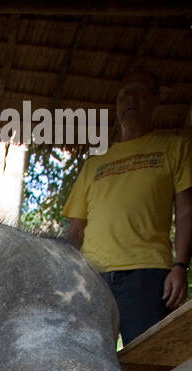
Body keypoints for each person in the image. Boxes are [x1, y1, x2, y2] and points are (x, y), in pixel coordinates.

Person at [64, 67, 192, 345]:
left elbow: (185, 212)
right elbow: (76, 230)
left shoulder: (175, 146)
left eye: (140, 92)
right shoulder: (94, 163)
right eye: (124, 94)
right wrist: (66, 274)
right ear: (116, 103)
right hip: (92, 278)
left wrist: (180, 265)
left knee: (150, 364)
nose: (131, 99)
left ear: (157, 99)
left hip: (147, 275)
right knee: (88, 361)